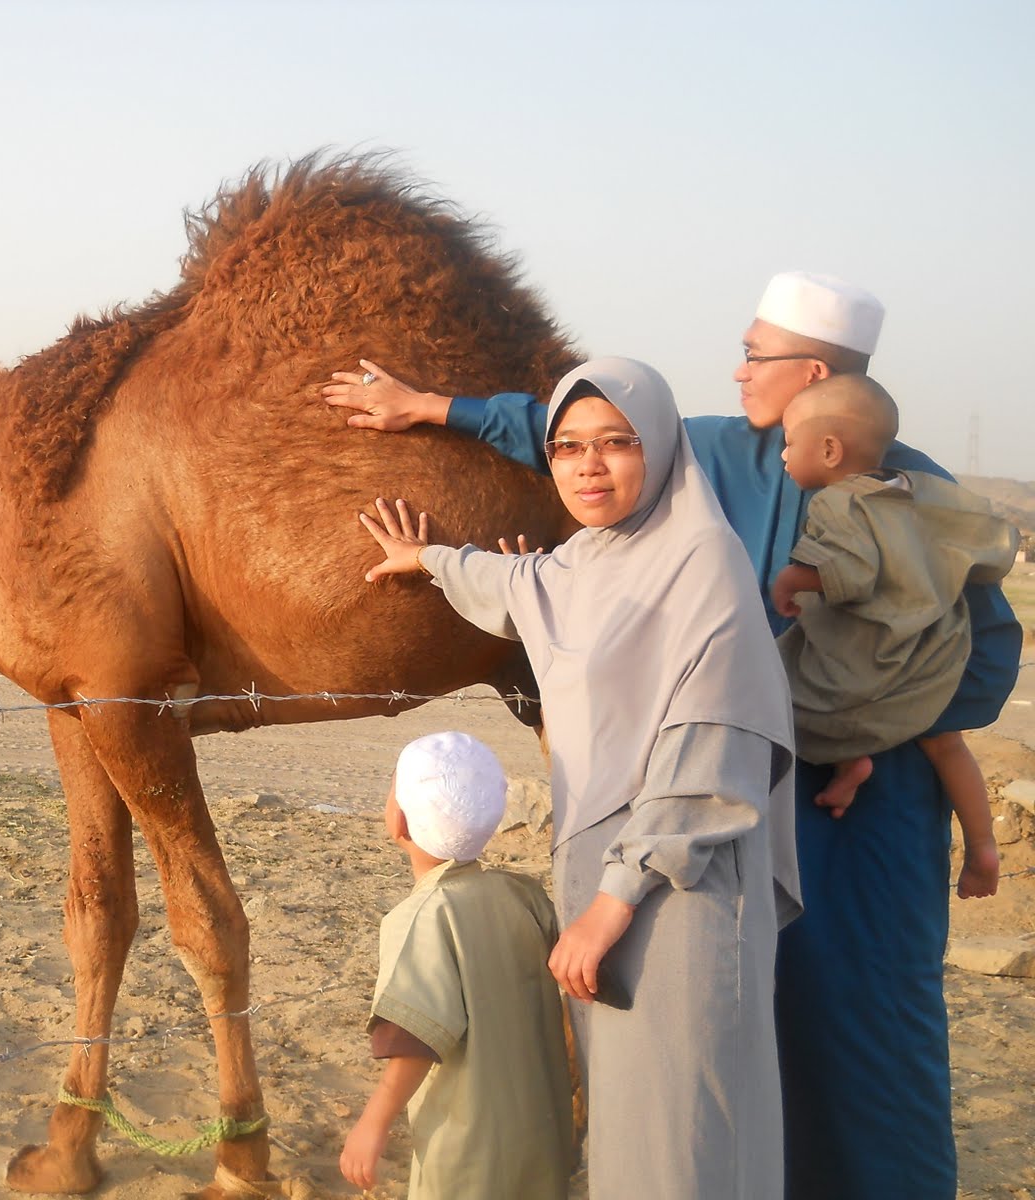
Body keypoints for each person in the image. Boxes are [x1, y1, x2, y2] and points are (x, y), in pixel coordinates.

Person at [323, 271, 1023, 1199]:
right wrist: (428, 421)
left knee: (855, 1038)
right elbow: (554, 471)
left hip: (850, 818)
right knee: (677, 1094)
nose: (735, 372)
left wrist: (852, 721)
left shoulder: (897, 491)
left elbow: (982, 660)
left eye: (752, 355)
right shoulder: (698, 464)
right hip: (671, 836)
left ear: (812, 371)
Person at [358, 358, 801, 1200]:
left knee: (685, 1138)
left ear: (662, 447)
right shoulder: (588, 561)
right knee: (631, 1136)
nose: (587, 466)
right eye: (566, 447)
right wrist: (430, 558)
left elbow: (709, 752)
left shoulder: (701, 562)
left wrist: (610, 906)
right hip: (603, 896)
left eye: (615, 443)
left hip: (678, 896)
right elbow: (515, 581)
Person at [772, 374, 1019, 897]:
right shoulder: (914, 492)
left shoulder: (837, 504)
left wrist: (797, 577)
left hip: (870, 655)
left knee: (783, 696)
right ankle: (982, 847)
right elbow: (988, 538)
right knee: (946, 744)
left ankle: (850, 757)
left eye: (790, 442)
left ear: (830, 449)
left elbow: (853, 572)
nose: (783, 455)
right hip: (932, 653)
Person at [340, 730, 574, 1198]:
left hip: (469, 1151)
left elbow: (416, 1038)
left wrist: (372, 1123)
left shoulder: (419, 918)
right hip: (542, 1130)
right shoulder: (523, 893)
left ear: (399, 819)